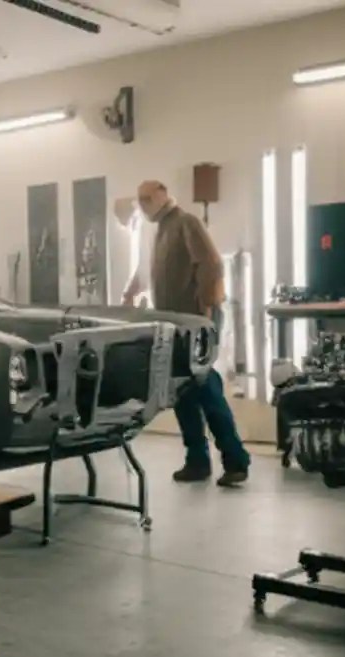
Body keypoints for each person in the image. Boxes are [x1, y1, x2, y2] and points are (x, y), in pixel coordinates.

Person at [121, 180, 250, 487]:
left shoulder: (185, 223)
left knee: (205, 387)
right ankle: (197, 460)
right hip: (175, 325)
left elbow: (211, 265)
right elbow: (147, 271)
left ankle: (235, 459)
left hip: (195, 323)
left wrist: (205, 312)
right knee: (182, 392)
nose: (143, 204)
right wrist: (129, 293)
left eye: (147, 198)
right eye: (139, 199)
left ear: (163, 195)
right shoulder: (159, 231)